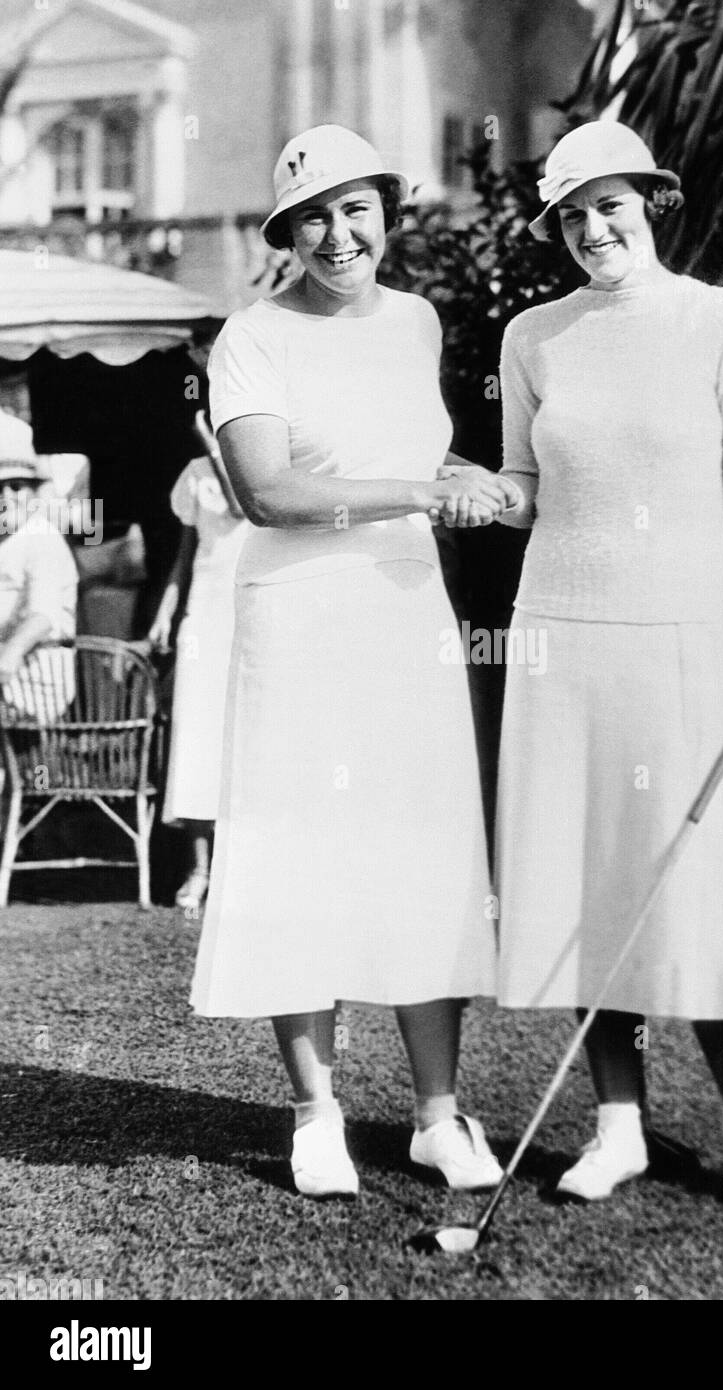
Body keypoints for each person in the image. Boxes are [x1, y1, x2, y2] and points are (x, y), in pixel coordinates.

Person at [443, 121, 723, 1207]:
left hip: (687, 637)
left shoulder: (719, 321)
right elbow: (526, 487)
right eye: (571, 212)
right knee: (584, 881)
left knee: (696, 882)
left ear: (651, 204)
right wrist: (471, 490)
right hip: (559, 632)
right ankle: (617, 1124)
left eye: (611, 205)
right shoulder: (531, 334)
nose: (592, 227)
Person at [189, 125, 518, 1199]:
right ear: (289, 233)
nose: (340, 234)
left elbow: (413, 459)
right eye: (314, 217)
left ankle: (437, 1114)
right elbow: (267, 494)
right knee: (301, 853)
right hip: (295, 620)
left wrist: (493, 484)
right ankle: (316, 1114)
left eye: (357, 207)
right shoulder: (248, 335)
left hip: (404, 614)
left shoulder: (418, 322)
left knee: (422, 848)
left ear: (388, 209)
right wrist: (427, 491)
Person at [149, 445, 251, 913]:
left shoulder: (269, 463)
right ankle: (200, 867)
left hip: (253, 607)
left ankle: (245, 867)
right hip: (205, 614)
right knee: (196, 736)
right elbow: (185, 554)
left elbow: (240, 507)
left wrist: (218, 448)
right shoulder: (193, 474)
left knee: (250, 735)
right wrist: (166, 613)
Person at [0, 415, 78, 721]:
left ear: (33, 492)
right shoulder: (7, 539)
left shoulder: (41, 538)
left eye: (17, 487)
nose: (6, 499)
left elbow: (43, 616)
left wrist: (9, 653)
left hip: (34, 672)